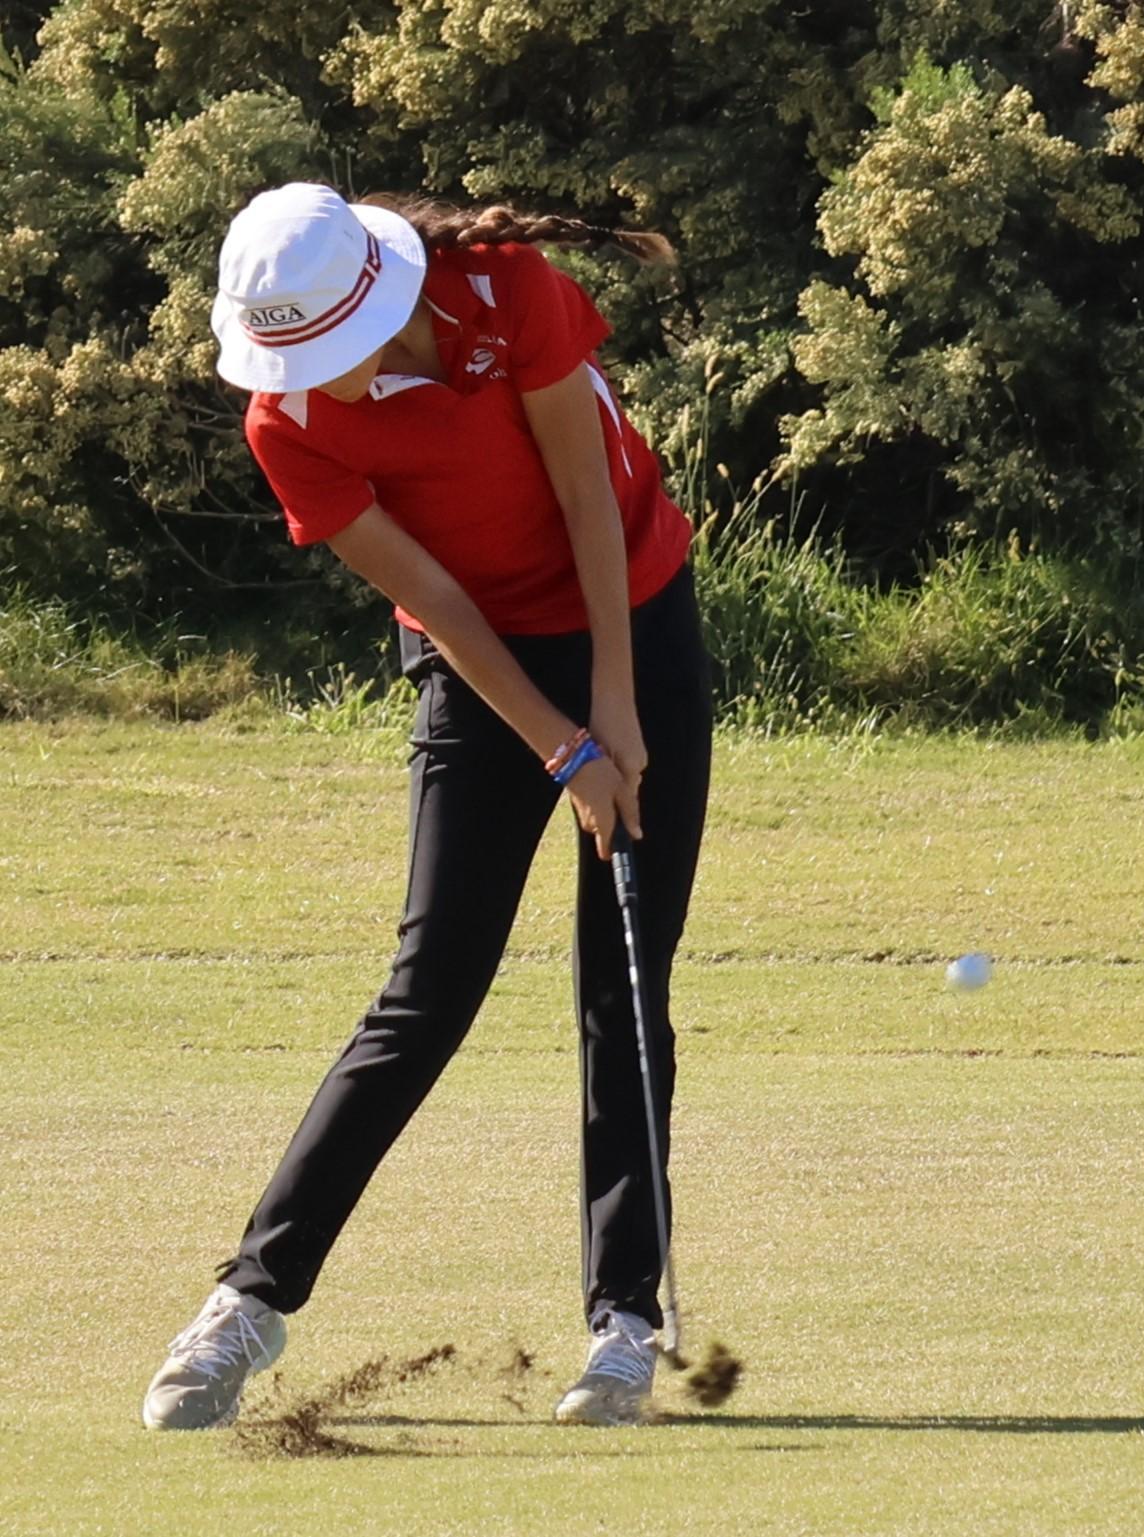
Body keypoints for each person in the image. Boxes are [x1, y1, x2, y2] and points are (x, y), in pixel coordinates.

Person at [141, 182, 712, 1431]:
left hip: (633, 620)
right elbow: (442, 604)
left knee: (622, 983)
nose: (300, 380)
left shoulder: (509, 293)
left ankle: (624, 1323)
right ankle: (248, 1299)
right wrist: (561, 749)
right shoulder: (286, 425)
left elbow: (589, 506)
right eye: (281, 359)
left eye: (317, 354)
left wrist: (614, 711)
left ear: (377, 309)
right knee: (427, 988)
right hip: (480, 661)